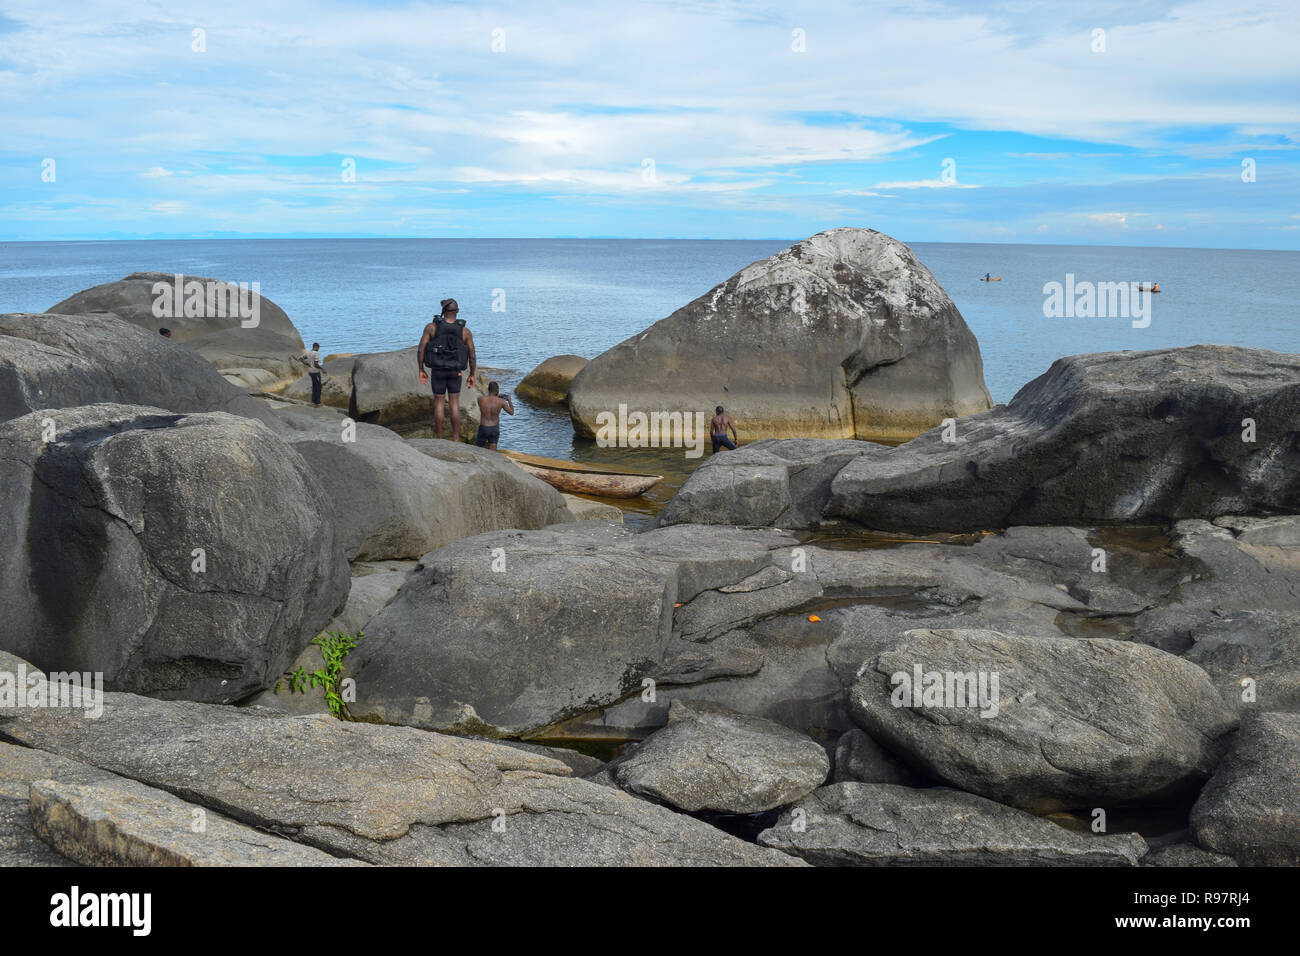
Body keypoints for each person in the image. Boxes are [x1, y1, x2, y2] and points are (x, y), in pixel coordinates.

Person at [417, 298, 477, 441]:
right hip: (455, 372)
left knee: (439, 403)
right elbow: (472, 354)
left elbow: (421, 349)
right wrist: (472, 374)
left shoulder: (431, 327)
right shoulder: (465, 331)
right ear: (457, 312)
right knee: (454, 403)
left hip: (438, 371)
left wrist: (421, 369)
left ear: (443, 312)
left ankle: (439, 438)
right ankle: (455, 439)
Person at [474, 382, 514, 449]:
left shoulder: (480, 399)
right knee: (493, 452)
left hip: (484, 427)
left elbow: (487, 397)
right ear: (497, 390)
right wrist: (509, 401)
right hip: (494, 428)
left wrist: (495, 395)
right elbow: (512, 412)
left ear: (488, 389)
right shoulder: (501, 402)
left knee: (478, 449)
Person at [296, 342, 324, 406]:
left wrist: (306, 363)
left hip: (310, 372)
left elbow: (300, 358)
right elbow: (316, 364)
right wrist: (322, 369)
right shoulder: (316, 353)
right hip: (315, 372)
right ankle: (317, 402)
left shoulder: (308, 352)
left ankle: (313, 401)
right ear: (316, 347)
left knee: (314, 386)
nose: (318, 349)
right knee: (318, 387)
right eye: (318, 348)